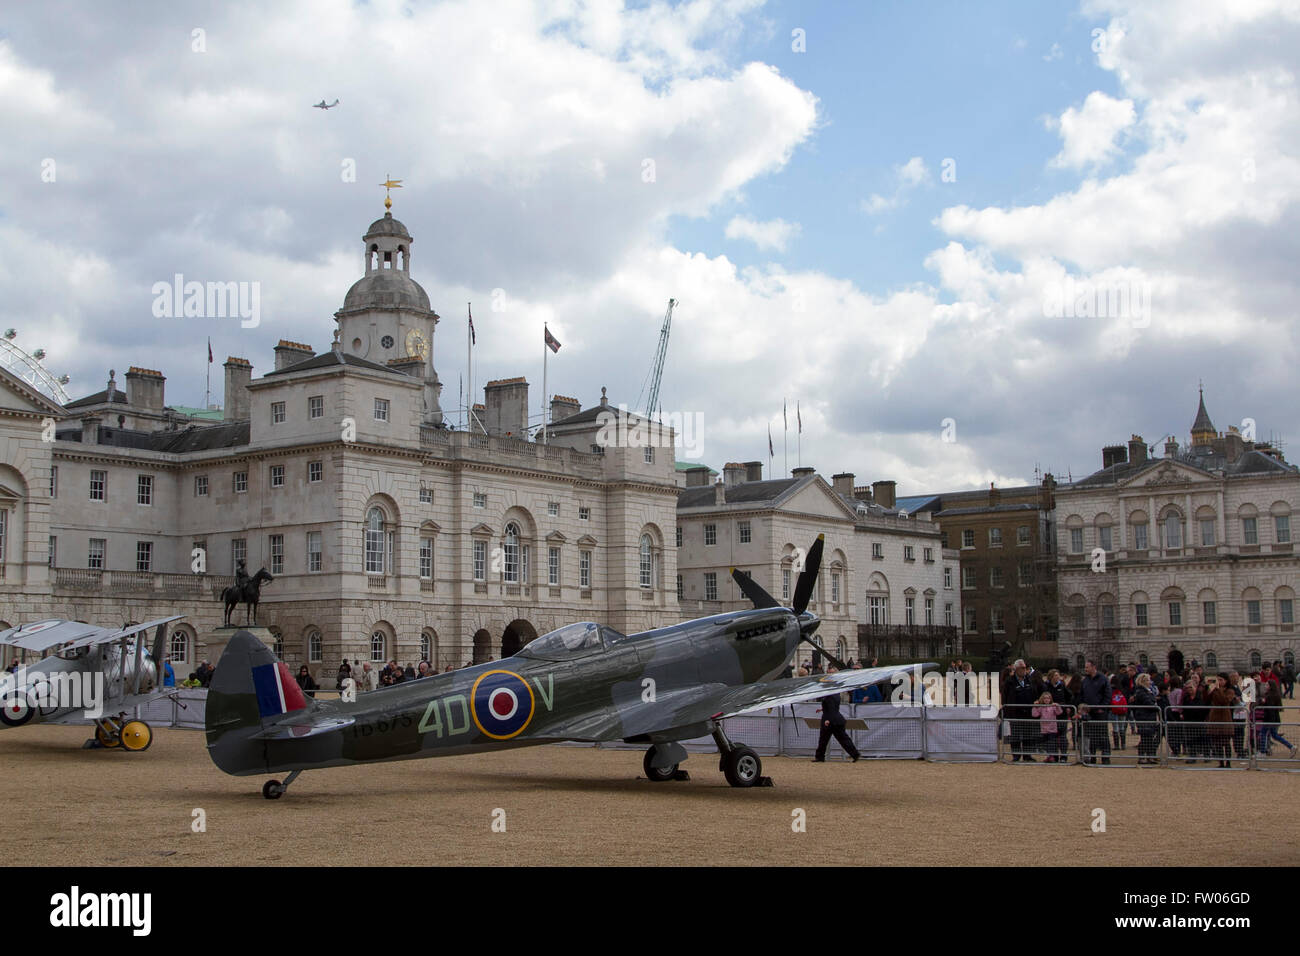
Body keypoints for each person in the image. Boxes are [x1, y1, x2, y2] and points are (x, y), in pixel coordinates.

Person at [813, 667, 860, 762]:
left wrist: (827, 719)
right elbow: (833, 705)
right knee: (842, 739)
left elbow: (831, 706)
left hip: (830, 719)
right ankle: (855, 754)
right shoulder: (835, 690)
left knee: (824, 739)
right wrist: (823, 709)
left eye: (830, 673)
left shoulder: (830, 691)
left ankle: (820, 757)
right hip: (836, 719)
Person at [1004, 660, 1040, 761]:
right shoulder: (1009, 681)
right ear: (1016, 669)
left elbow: (1035, 693)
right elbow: (1005, 696)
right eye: (1022, 668)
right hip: (1015, 713)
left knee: (1028, 735)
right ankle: (1016, 755)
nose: (1024, 670)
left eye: (1025, 668)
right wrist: (1007, 709)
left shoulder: (1029, 680)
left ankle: (1027, 755)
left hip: (1028, 713)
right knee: (1015, 735)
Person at [1079, 660, 1111, 764]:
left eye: (1087, 667)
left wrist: (1103, 707)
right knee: (1091, 736)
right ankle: (1092, 756)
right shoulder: (1085, 680)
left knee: (1103, 735)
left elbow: (1107, 695)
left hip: (1100, 712)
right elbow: (1082, 694)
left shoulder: (1103, 679)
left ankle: (1105, 757)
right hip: (1088, 712)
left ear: (1093, 667)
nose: (1085, 669)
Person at [1206, 673, 1235, 767]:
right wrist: (1206, 688)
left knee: (1226, 743)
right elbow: (1206, 699)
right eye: (1218, 680)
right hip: (1215, 718)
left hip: (1225, 718)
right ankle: (1221, 762)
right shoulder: (1215, 690)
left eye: (1221, 680)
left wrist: (1218, 690)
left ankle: (1228, 762)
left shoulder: (1230, 691)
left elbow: (1225, 701)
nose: (1219, 682)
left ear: (1226, 681)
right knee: (1217, 744)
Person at [1032, 691, 1063, 762]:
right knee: (1046, 744)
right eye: (1045, 698)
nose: (1046, 700)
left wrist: (1057, 706)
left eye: (1048, 698)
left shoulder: (1053, 707)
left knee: (1052, 743)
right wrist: (1035, 707)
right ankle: (1049, 756)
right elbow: (1035, 715)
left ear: (1050, 699)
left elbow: (1059, 712)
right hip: (1044, 729)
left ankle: (1052, 757)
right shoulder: (1041, 707)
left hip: (1052, 729)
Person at [1109, 677, 1129, 751]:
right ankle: (1123, 744)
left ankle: (1116, 745)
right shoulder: (1122, 690)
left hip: (1113, 710)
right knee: (1122, 727)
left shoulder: (1110, 690)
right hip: (1122, 710)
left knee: (1115, 728)